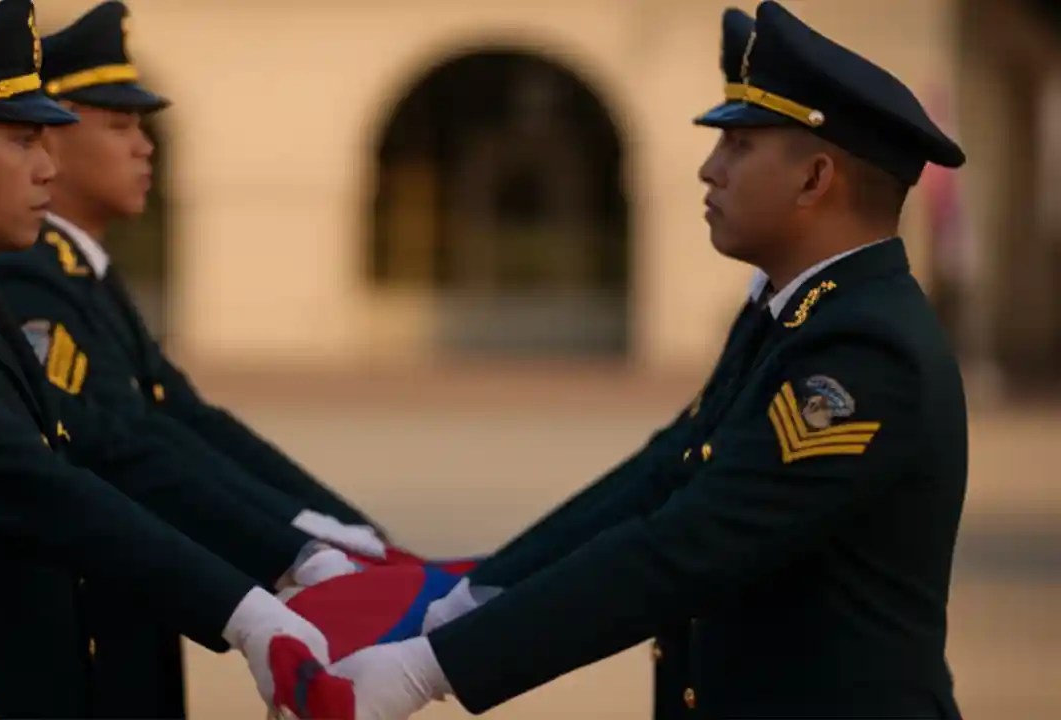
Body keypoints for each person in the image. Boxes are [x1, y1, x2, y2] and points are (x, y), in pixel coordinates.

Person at [330, 2, 969, 718]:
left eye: (740, 147)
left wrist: (431, 667)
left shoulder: (863, 352)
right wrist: (474, 595)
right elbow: (666, 472)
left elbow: (689, 545)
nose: (708, 169)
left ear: (815, 178)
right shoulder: (792, 314)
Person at [0, 2, 352, 717]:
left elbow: (164, 427)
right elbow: (36, 488)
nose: (47, 166)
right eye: (22, 140)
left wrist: (309, 545)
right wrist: (247, 611)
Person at [0, 0, 394, 550]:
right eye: (120, 126)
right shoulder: (30, 276)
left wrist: (341, 525)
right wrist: (293, 546)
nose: (145, 146)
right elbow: (114, 446)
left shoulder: (86, 272)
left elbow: (193, 422)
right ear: (52, 137)